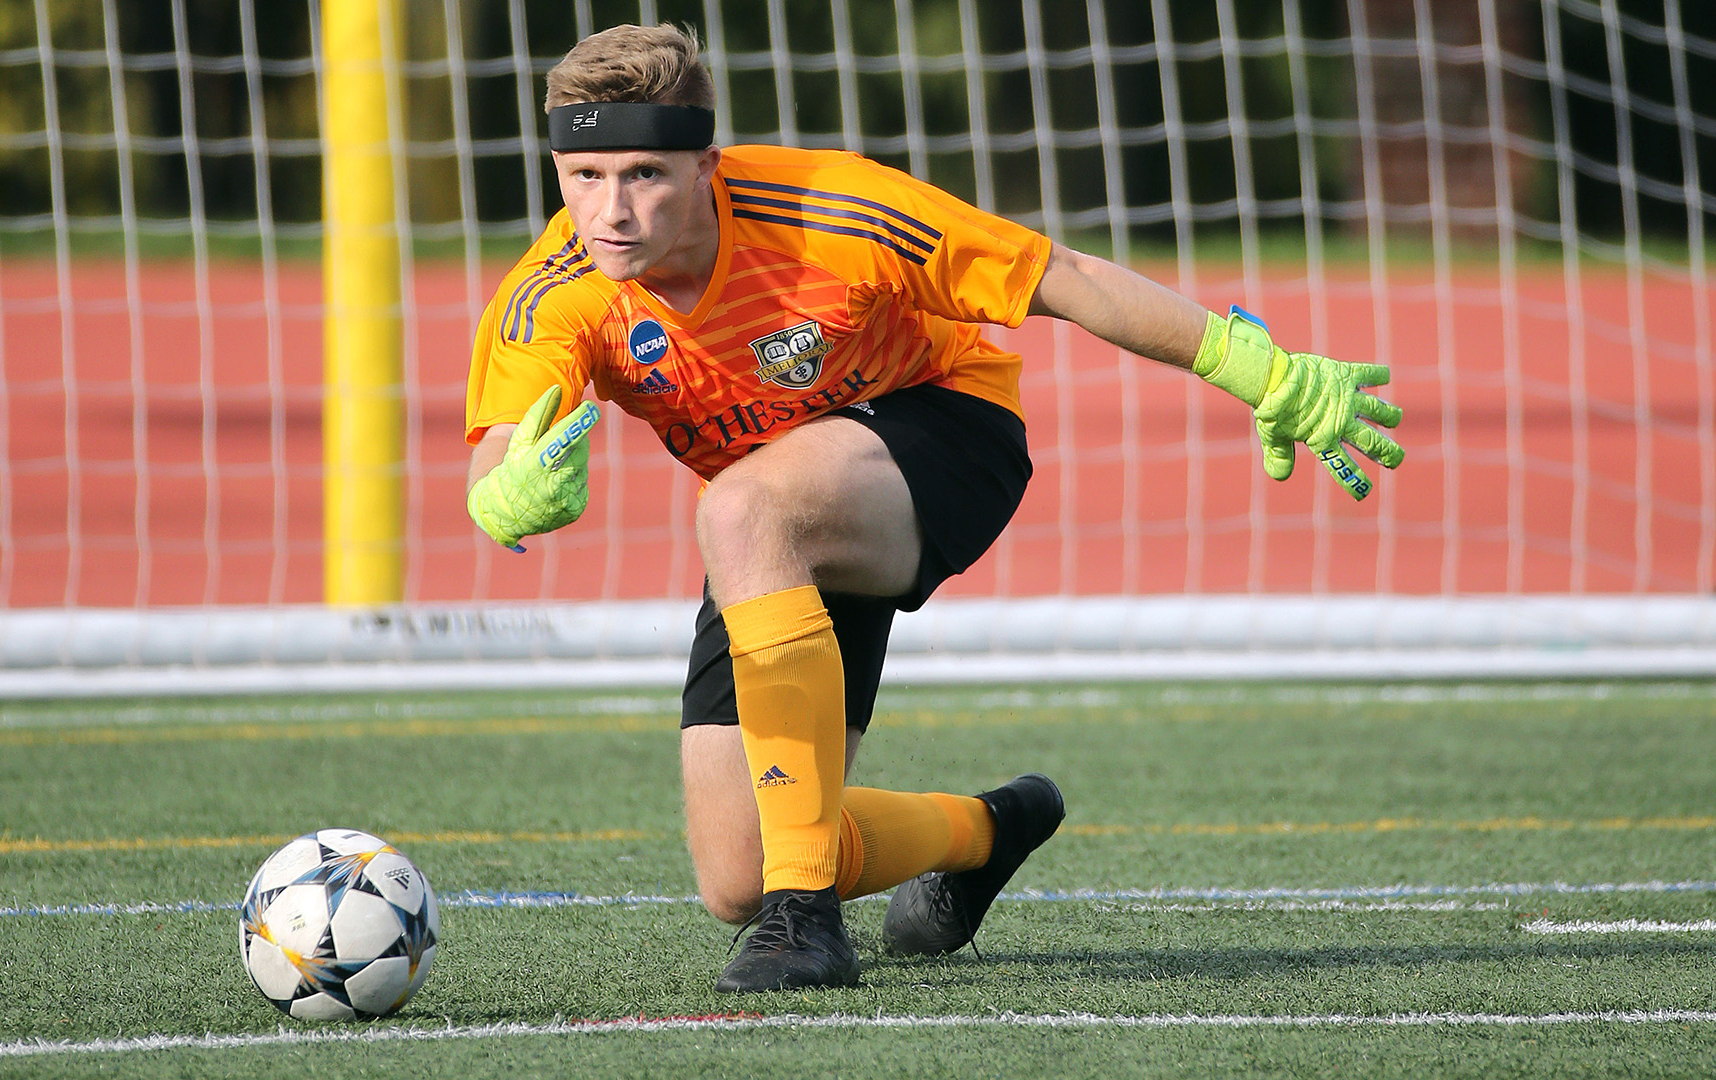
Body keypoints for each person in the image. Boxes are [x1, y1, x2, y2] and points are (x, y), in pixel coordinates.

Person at [463, 23, 1403, 994]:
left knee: (742, 513)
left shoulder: (834, 210)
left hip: (946, 431)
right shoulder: (558, 290)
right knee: (735, 874)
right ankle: (986, 831)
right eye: (582, 176)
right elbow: (502, 437)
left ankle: (807, 925)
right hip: (781, 519)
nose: (609, 210)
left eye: (644, 175)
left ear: (707, 163)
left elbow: (1063, 279)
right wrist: (503, 489)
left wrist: (1257, 367)